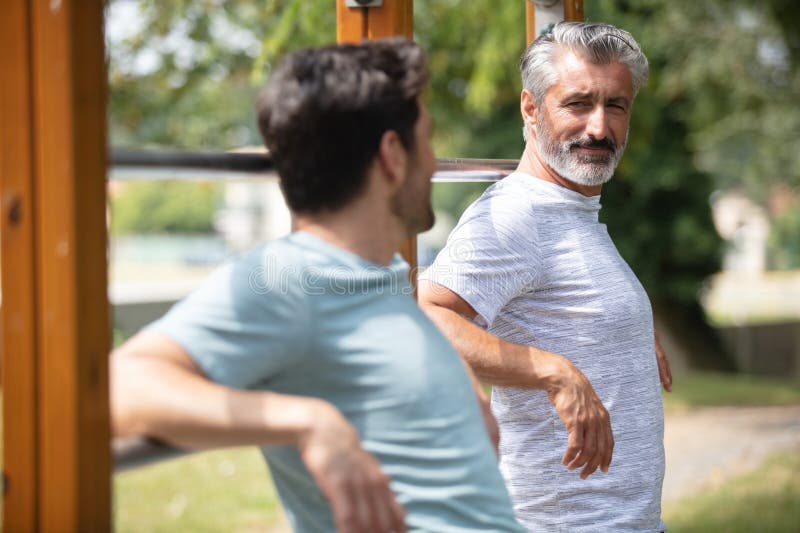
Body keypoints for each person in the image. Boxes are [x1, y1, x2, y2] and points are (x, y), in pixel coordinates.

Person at [111, 38, 524, 533]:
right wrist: (307, 422)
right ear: (393, 155)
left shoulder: (379, 272)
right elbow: (120, 388)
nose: (435, 164)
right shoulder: (289, 277)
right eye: (428, 140)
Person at [418, 22, 672, 532]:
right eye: (578, 104)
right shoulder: (519, 213)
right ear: (531, 109)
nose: (599, 128)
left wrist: (628, 325)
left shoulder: (572, 208)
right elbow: (424, 317)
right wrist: (553, 372)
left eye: (615, 105)